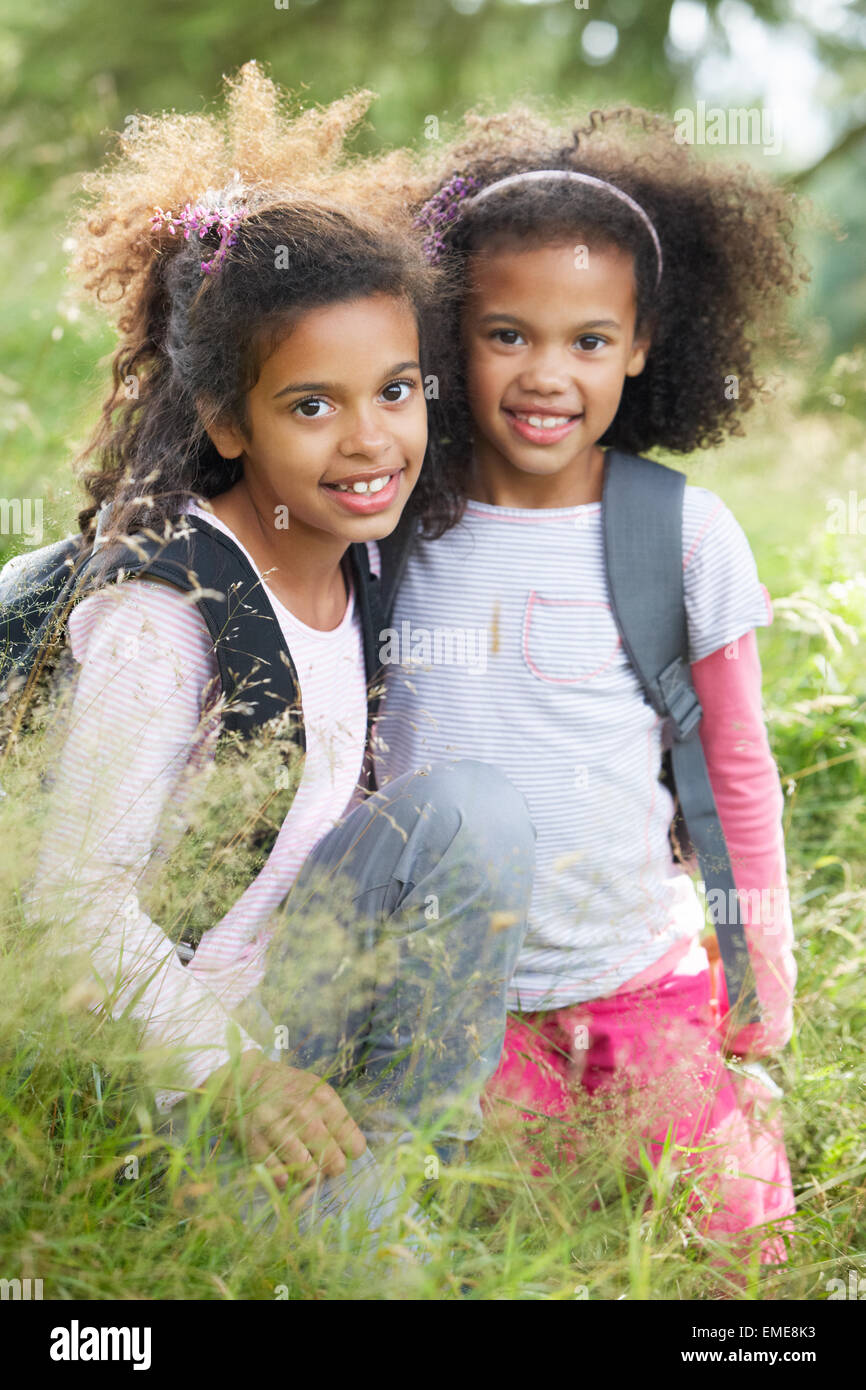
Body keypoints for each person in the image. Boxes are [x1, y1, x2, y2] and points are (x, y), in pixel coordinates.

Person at [24, 65, 535, 1257]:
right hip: (158, 1061)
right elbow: (71, 903)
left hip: (283, 1005)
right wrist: (233, 1079)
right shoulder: (170, 616)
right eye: (312, 406)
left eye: (397, 390)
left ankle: (397, 1172)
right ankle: (325, 1220)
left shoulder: (355, 562)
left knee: (472, 815)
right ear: (224, 420)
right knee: (358, 1273)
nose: (371, 440)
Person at [373, 105, 803, 1263]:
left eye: (588, 341)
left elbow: (734, 771)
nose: (545, 375)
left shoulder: (681, 534)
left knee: (736, 1251)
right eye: (505, 334)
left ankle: (729, 1104)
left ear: (644, 343)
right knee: (493, 1249)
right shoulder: (390, 524)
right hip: (452, 1006)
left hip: (635, 977)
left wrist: (757, 968)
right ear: (443, 336)